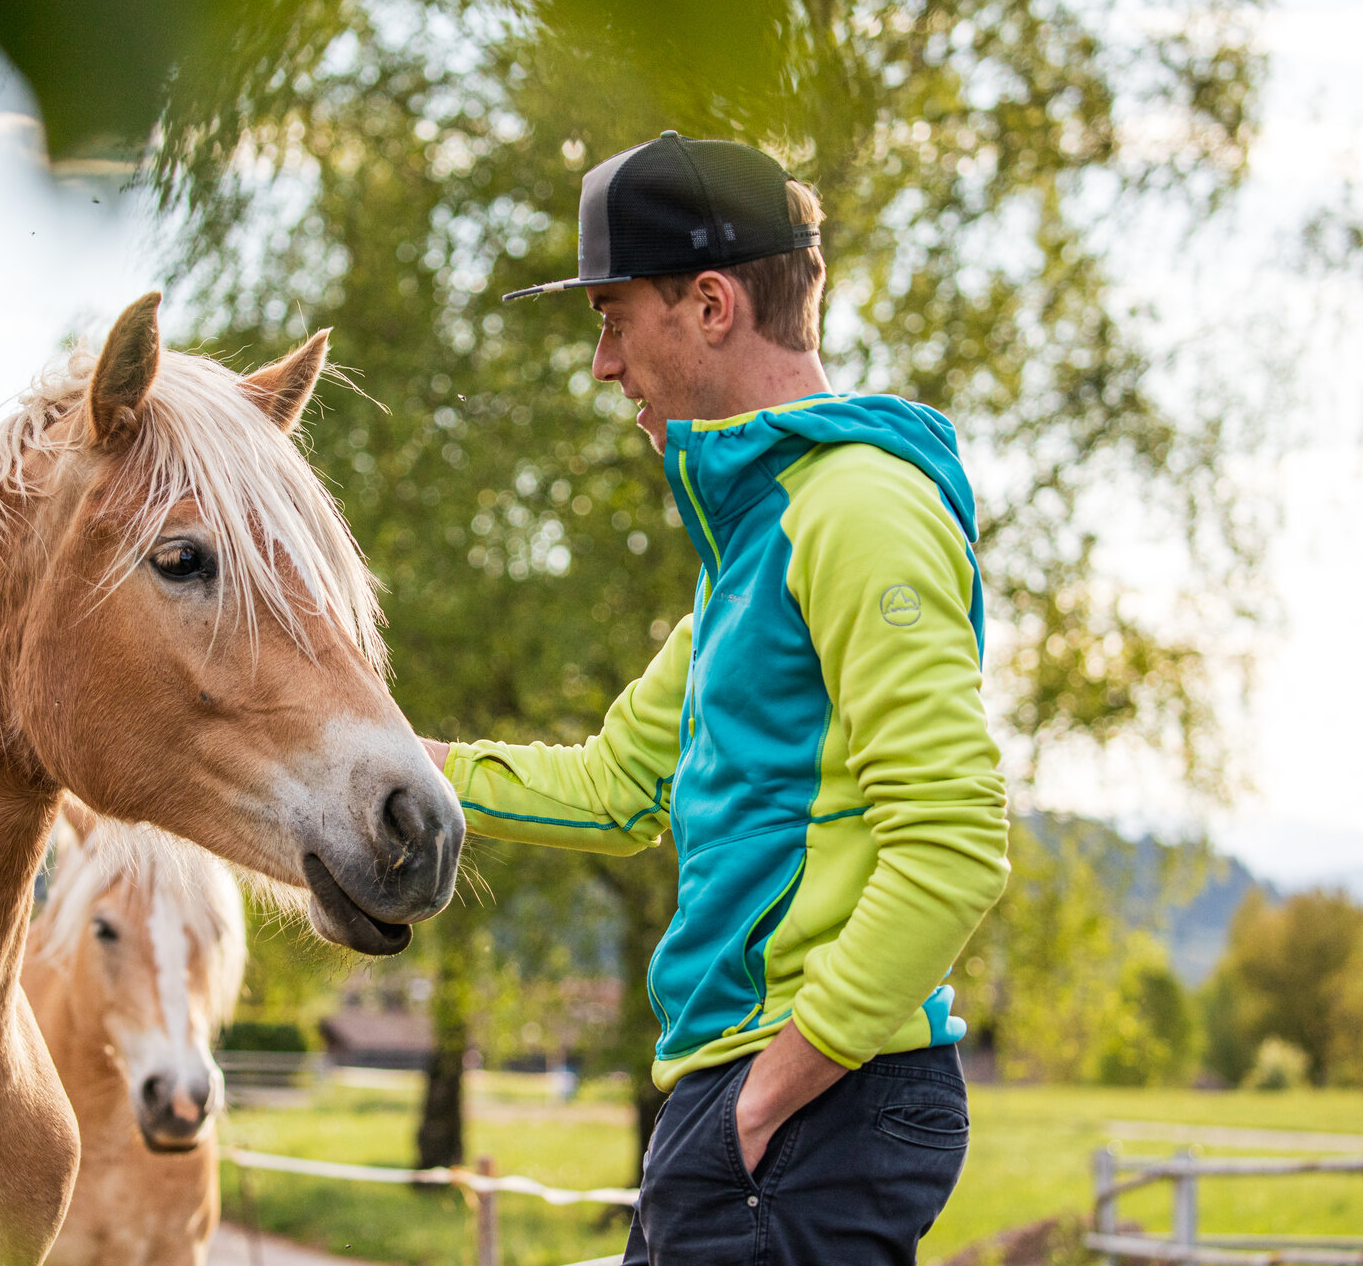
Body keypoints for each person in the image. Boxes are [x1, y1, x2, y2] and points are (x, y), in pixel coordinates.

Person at [419, 132, 1011, 1265]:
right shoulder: (753, 547)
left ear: (707, 304)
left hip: (808, 1099)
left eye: (611, 316)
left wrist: (769, 1094)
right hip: (754, 1100)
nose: (602, 363)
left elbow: (951, 839)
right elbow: (617, 787)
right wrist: (400, 761)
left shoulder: (858, 510)